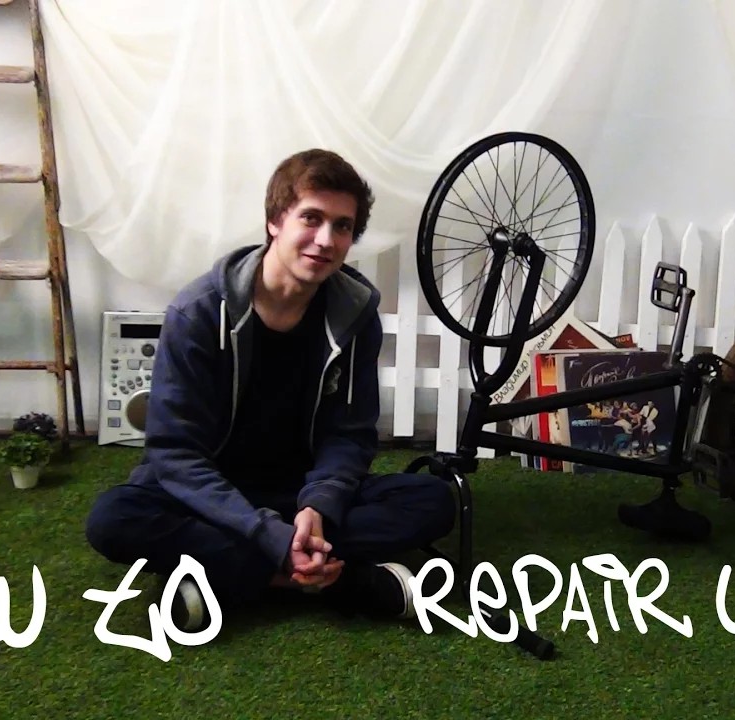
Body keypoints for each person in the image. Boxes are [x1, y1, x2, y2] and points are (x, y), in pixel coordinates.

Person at [84, 149, 456, 631]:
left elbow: (350, 434)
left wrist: (318, 506)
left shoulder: (356, 314)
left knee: (433, 500)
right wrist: (265, 533)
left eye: (342, 226)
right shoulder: (199, 312)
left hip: (299, 490)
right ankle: (341, 582)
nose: (326, 240)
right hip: (214, 491)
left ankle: (229, 575)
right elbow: (175, 454)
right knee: (113, 518)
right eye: (312, 218)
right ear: (276, 221)